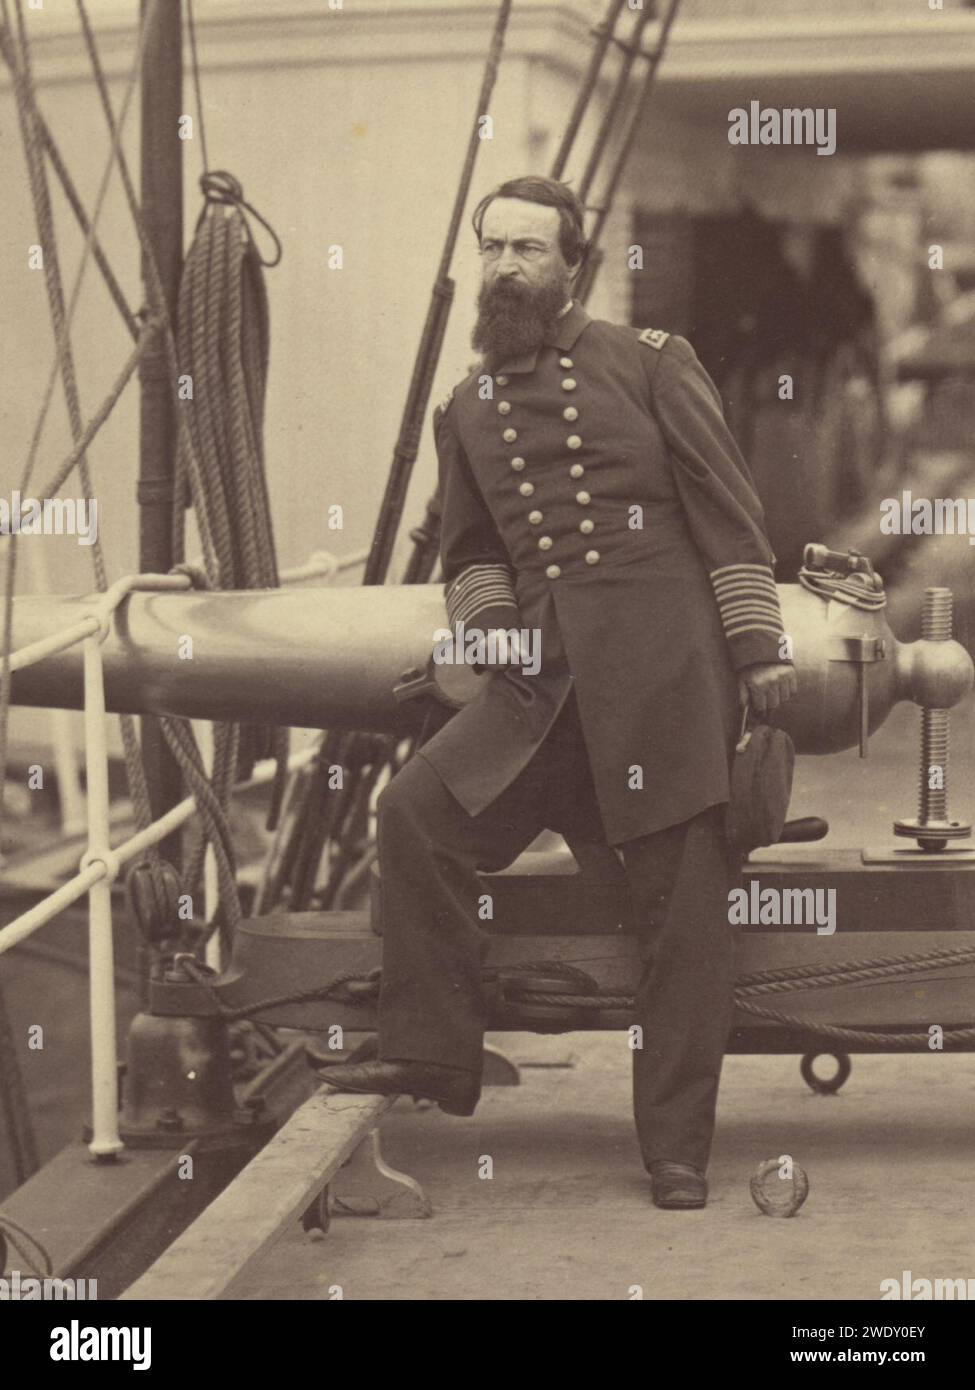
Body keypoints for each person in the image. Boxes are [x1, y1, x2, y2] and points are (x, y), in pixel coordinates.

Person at [321, 176, 797, 1209]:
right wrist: (492, 641)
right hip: (541, 694)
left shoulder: (653, 365)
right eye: (491, 247)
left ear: (573, 266)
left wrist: (758, 652)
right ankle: (435, 1055)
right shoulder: (470, 406)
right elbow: (471, 552)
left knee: (683, 917)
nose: (504, 267)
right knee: (414, 816)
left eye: (527, 250)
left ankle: (675, 1146)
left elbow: (729, 511)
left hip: (663, 679)